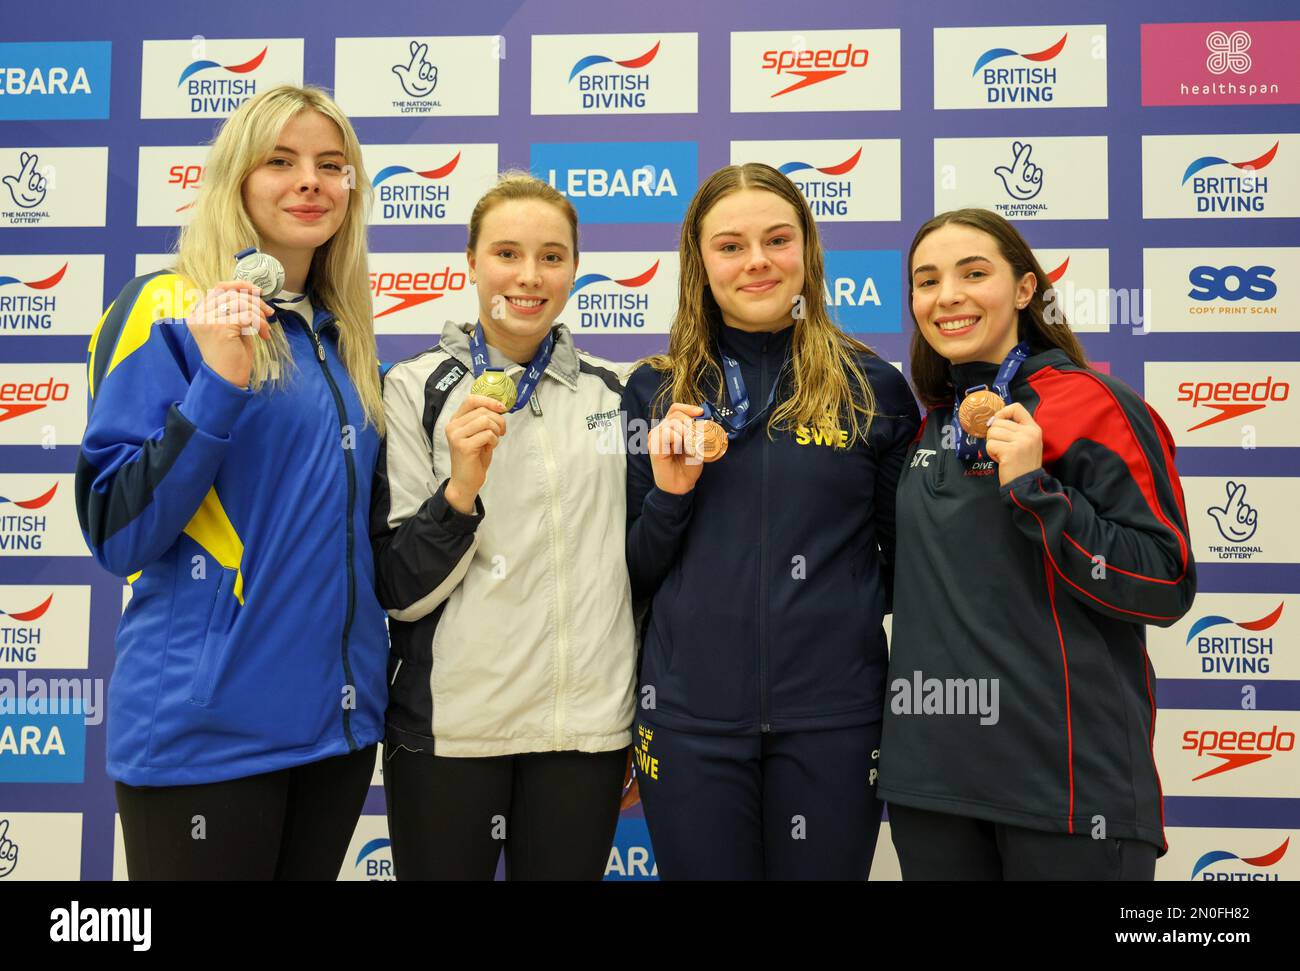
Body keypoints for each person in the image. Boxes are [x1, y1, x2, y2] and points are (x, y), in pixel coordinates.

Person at [75, 85, 388, 880]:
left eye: (330, 164)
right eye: (279, 161)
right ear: (237, 181)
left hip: (334, 737)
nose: (309, 181)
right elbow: (117, 528)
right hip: (205, 738)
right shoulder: (168, 305)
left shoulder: (337, 334)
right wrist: (217, 381)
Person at [879, 208, 1197, 880]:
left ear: (1025, 289)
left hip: (1068, 793)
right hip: (932, 789)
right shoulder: (924, 427)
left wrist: (1037, 492)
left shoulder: (1093, 405)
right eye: (927, 280)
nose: (948, 296)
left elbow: (1166, 582)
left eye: (974, 273)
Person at [622, 163, 919, 880]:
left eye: (777, 239)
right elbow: (636, 571)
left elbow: (905, 565)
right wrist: (669, 495)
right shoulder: (656, 389)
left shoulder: (872, 387)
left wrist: (825, 617)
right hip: (690, 724)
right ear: (700, 264)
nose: (757, 261)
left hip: (834, 724)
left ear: (808, 252)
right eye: (730, 245)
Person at [372, 172, 635, 880]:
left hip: (583, 735)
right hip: (452, 733)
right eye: (507, 253)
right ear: (471, 262)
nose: (529, 275)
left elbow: (642, 564)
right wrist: (460, 489)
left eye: (552, 256)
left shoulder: (615, 394)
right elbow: (398, 587)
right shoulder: (411, 388)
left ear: (576, 269)